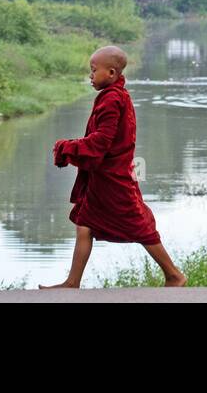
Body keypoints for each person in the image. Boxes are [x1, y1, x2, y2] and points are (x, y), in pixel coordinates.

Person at [42, 46, 186, 288]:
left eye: (93, 70)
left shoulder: (112, 99)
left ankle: (174, 274)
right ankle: (72, 282)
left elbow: (100, 143)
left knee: (139, 225)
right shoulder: (116, 96)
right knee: (84, 224)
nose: (90, 75)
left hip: (113, 177)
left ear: (111, 73)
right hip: (103, 176)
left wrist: (66, 147)